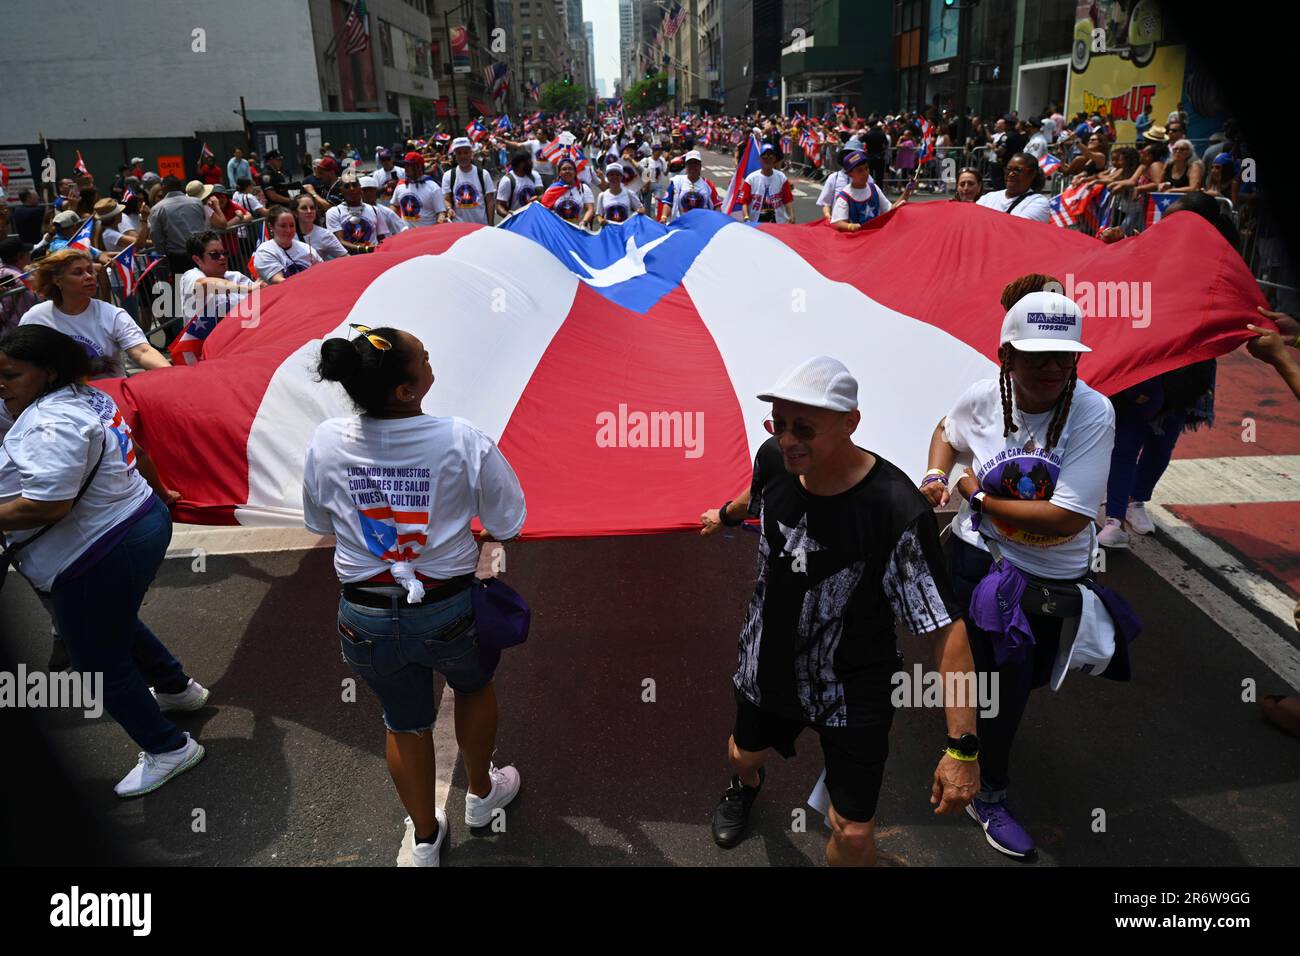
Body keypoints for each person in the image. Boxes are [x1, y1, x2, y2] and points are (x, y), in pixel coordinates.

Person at [698, 355, 979, 866]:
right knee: (743, 755)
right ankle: (746, 786)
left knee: (851, 835)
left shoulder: (896, 510)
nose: (787, 440)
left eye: (804, 428)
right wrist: (723, 515)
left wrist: (962, 747)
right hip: (768, 664)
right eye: (777, 424)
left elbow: (945, 629)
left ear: (851, 422)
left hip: (853, 685)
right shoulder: (774, 460)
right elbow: (755, 495)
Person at [304, 323, 527, 867]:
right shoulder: (461, 438)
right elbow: (508, 518)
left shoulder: (327, 440)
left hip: (365, 615)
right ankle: (481, 795)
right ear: (406, 391)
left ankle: (424, 838)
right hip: (449, 608)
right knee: (473, 688)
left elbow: (317, 519)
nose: (433, 364)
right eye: (425, 358)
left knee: (404, 722)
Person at [921, 280, 1125, 858]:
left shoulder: (1092, 411)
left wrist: (974, 495)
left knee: (1023, 681)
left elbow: (1063, 518)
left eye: (1065, 357)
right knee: (994, 688)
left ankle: (968, 740)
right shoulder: (983, 396)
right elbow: (946, 429)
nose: (1054, 367)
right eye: (1036, 356)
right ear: (1006, 355)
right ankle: (988, 790)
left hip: (1048, 580)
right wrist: (938, 475)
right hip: (976, 558)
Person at [0, 325, 208, 796]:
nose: (2, 385)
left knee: (97, 661)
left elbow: (46, 504)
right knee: (111, 619)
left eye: (11, 375)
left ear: (47, 372)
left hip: (97, 548)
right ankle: (177, 688)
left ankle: (168, 748)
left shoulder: (50, 423)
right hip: (134, 523)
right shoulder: (83, 396)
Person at [22, 249, 169, 377]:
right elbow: (22, 362)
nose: (89, 276)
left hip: (110, 399)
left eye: (90, 270)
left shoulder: (113, 314)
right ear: (57, 280)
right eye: (78, 272)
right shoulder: (35, 318)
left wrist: (174, 375)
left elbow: (142, 351)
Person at [175, 231, 261, 355]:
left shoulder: (236, 277)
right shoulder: (191, 276)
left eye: (224, 253)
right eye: (214, 255)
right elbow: (204, 284)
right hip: (204, 351)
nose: (222, 258)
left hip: (240, 345)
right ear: (197, 259)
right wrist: (248, 289)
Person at [150, 176, 220, 279]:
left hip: (178, 258)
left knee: (182, 290)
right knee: (206, 286)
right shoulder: (196, 202)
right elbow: (205, 225)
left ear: (163, 187)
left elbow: (156, 236)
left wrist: (164, 257)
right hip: (201, 253)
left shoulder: (158, 208)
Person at [252, 206, 323, 284]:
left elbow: (323, 270)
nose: (288, 230)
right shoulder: (265, 251)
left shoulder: (306, 248)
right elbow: (279, 281)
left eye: (292, 225)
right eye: (283, 226)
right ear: (271, 226)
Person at [976, 153, 1051, 222]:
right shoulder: (988, 198)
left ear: (1032, 174)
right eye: (1008, 169)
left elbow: (1015, 228)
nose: (1011, 174)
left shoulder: (1038, 203)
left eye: (1017, 170)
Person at [828, 150, 892, 232]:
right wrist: (850, 226)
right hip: (855, 239)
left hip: (875, 236)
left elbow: (889, 209)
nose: (865, 173)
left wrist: (905, 194)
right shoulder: (845, 196)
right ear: (850, 174)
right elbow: (837, 222)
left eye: (866, 168)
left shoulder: (874, 188)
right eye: (860, 170)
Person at [326, 172, 387, 254]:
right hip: (350, 260)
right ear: (341, 191)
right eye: (347, 186)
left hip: (374, 257)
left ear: (360, 188)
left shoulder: (374, 210)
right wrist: (365, 249)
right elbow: (339, 242)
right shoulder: (334, 212)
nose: (352, 189)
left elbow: (382, 239)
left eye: (355, 185)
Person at [441, 138, 495, 226]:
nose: (462, 156)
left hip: (481, 226)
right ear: (455, 155)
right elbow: (446, 199)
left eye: (466, 152)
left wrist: (491, 224)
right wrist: (449, 208)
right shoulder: (448, 176)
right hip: (459, 228)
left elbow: (490, 201)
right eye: (459, 153)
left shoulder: (483, 174)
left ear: (471, 154)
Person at [739, 144, 795, 224]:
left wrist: (791, 215)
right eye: (764, 157)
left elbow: (787, 200)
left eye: (771, 157)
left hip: (778, 223)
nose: (768, 160)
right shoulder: (751, 179)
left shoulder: (781, 177)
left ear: (775, 159)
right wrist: (746, 218)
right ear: (760, 159)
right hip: (756, 223)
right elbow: (745, 203)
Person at [659, 151, 720, 223]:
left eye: (696, 163)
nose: (693, 166)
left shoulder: (708, 185)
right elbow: (668, 202)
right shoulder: (677, 182)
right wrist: (664, 217)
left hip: (702, 225)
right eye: (690, 163)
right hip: (681, 224)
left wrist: (719, 222)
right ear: (686, 166)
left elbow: (717, 206)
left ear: (700, 165)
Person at [392, 153, 448, 227]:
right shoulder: (401, 185)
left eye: (409, 165)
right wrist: (390, 216)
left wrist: (440, 220)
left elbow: (441, 212)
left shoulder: (433, 187)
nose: (406, 168)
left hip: (427, 235)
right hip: (406, 235)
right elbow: (394, 205)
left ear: (419, 167)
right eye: (405, 165)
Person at [541, 157, 594, 228]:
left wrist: (584, 222)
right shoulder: (551, 190)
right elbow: (544, 212)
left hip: (579, 229)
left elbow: (590, 209)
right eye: (564, 169)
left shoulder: (583, 188)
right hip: (559, 230)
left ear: (575, 172)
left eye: (570, 168)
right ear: (559, 173)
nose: (567, 171)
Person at [0, 238, 38, 331]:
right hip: (21, 327)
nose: (29, 254)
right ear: (19, 256)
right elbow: (36, 287)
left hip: (24, 324)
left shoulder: (12, 270)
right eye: (26, 252)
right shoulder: (9, 273)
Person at [495, 151, 543, 219]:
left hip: (534, 218)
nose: (532, 163)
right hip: (517, 222)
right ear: (522, 164)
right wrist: (509, 217)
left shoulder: (534, 175)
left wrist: (538, 198)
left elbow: (542, 195)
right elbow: (499, 206)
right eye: (529, 161)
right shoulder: (507, 180)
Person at [638, 143, 669, 211]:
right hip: (648, 186)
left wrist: (669, 163)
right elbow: (639, 170)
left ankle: (657, 218)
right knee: (647, 206)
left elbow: (665, 173)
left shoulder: (662, 160)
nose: (660, 152)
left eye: (661, 151)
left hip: (657, 186)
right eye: (659, 150)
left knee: (658, 204)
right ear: (654, 151)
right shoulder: (646, 161)